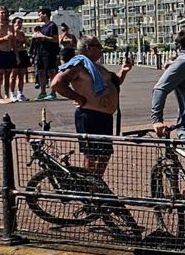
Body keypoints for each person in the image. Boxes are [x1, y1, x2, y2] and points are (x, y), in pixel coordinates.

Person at [50, 37, 134, 175]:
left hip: (104, 117)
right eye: (98, 45)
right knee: (92, 155)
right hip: (89, 116)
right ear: (89, 47)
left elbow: (115, 82)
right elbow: (57, 83)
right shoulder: (79, 65)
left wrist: (123, 71)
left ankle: (96, 186)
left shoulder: (96, 67)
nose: (101, 48)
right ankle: (87, 189)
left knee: (104, 155)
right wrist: (78, 97)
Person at [29, 8, 60, 101]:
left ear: (45, 15)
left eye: (40, 15)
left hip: (49, 52)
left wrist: (43, 36)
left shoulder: (52, 26)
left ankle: (53, 92)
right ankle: (42, 92)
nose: (39, 17)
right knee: (41, 72)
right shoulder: (42, 27)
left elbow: (55, 39)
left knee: (51, 72)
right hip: (40, 53)